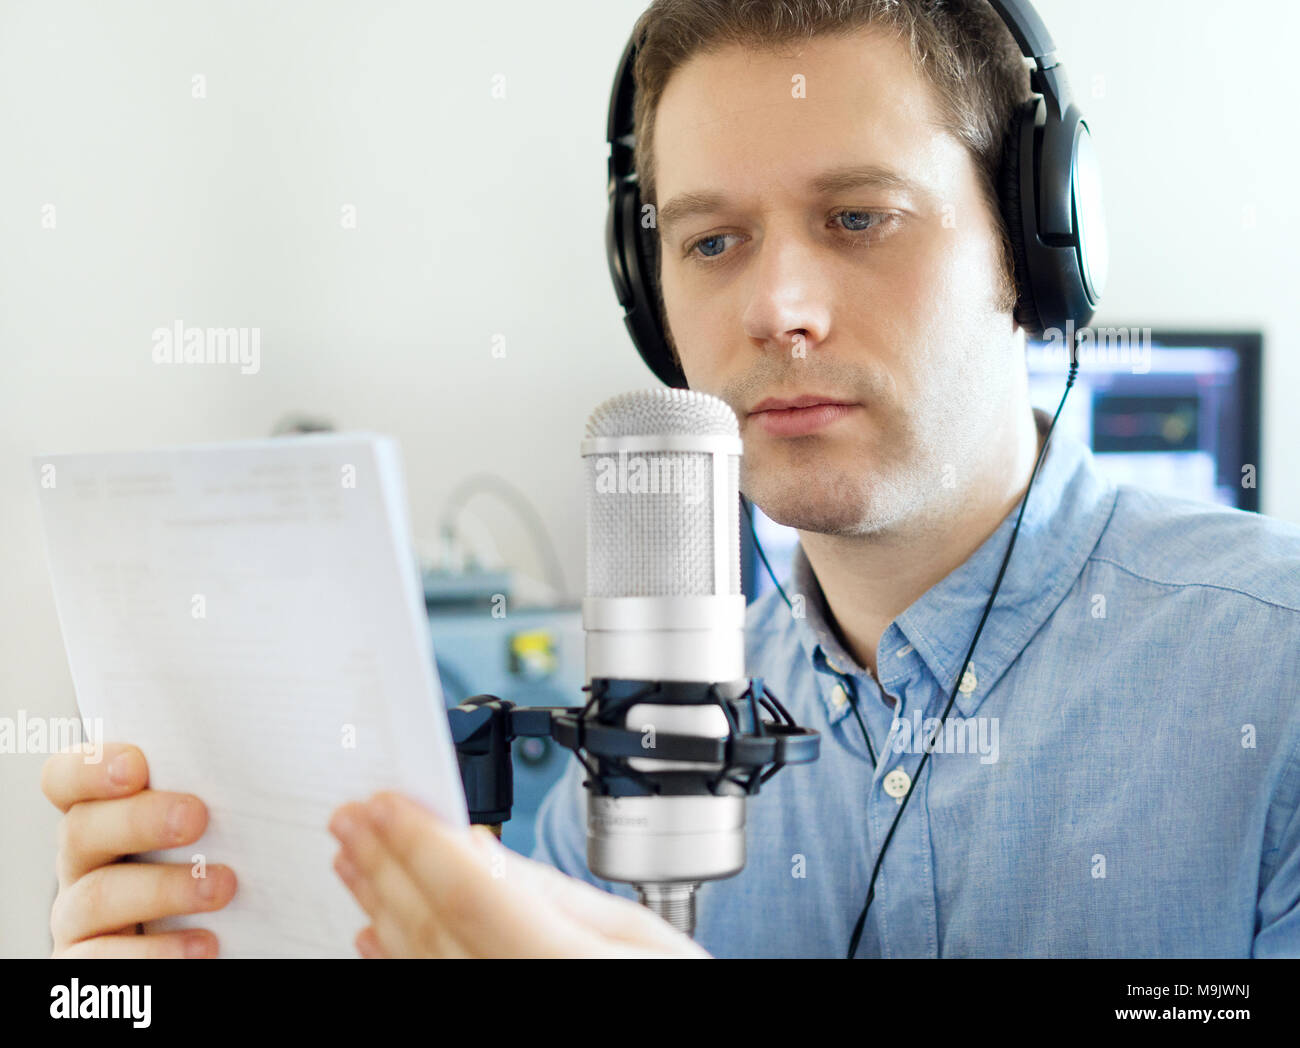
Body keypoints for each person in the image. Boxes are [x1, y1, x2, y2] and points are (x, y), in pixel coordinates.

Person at [42, 0, 1300, 959]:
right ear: (651, 297)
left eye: (859, 218)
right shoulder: (622, 777)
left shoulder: (1274, 678)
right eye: (712, 240)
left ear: (1036, 250)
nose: (777, 309)